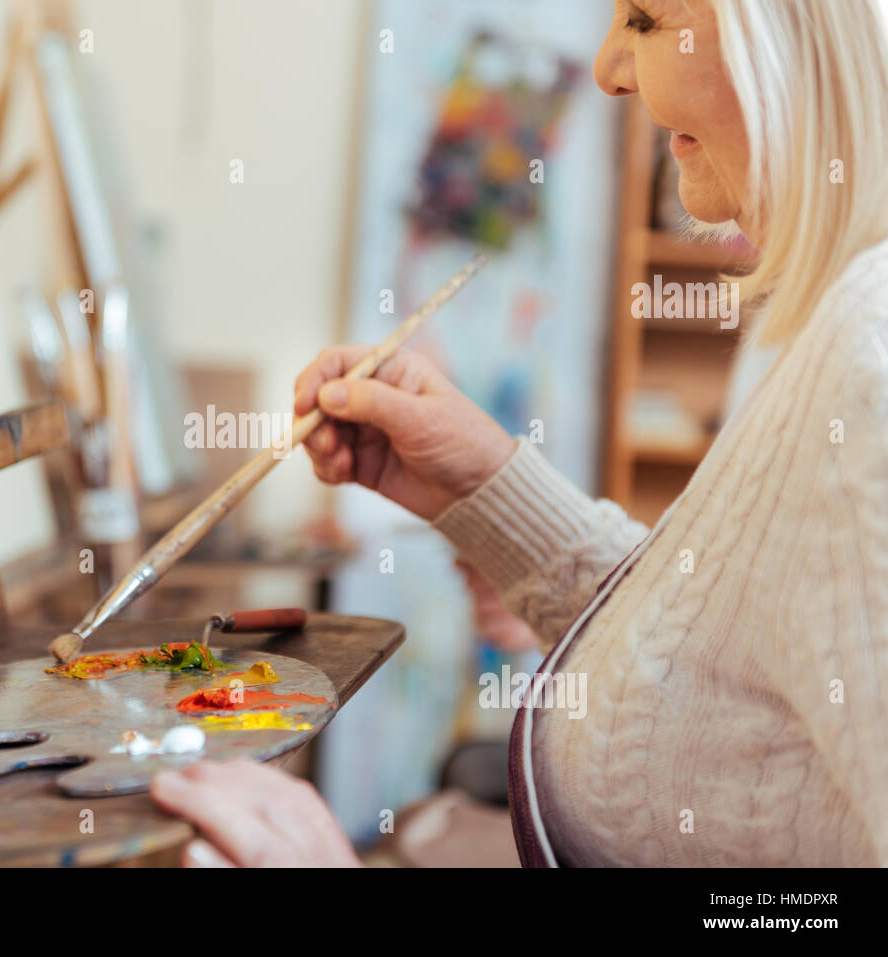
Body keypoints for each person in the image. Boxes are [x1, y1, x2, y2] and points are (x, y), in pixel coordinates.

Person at [152, 0, 888, 866]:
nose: (610, 68)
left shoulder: (868, 356)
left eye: (646, 18)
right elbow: (728, 675)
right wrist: (487, 489)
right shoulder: (819, 326)